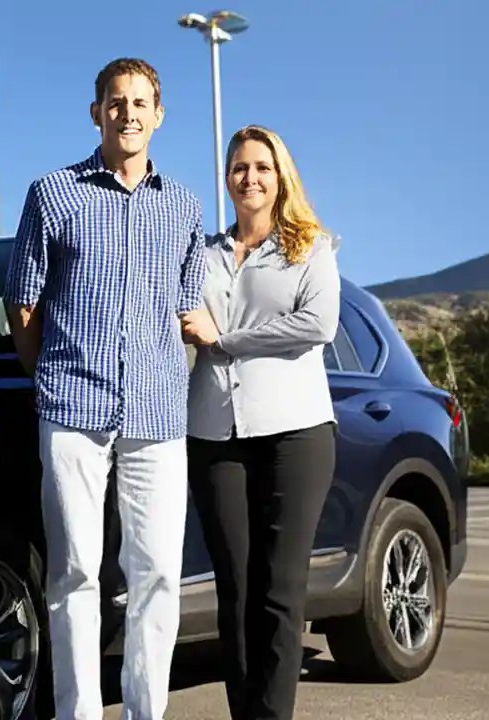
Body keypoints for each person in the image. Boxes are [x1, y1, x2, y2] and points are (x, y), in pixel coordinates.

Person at [4, 57, 207, 720]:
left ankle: (147, 712)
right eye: (115, 102)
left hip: (157, 415)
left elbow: (186, 310)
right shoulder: (53, 193)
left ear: (158, 114)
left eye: (140, 102)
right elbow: (24, 304)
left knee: (156, 576)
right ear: (96, 112)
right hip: (73, 411)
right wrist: (53, 376)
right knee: (75, 574)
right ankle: (79, 713)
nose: (128, 113)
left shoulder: (184, 207)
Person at [179, 124, 341, 720]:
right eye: (239, 167)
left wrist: (226, 339)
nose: (250, 177)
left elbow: (316, 324)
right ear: (227, 178)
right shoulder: (201, 252)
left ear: (281, 178)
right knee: (236, 591)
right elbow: (173, 317)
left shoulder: (311, 247)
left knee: (278, 592)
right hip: (214, 432)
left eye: (262, 168)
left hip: (295, 433)